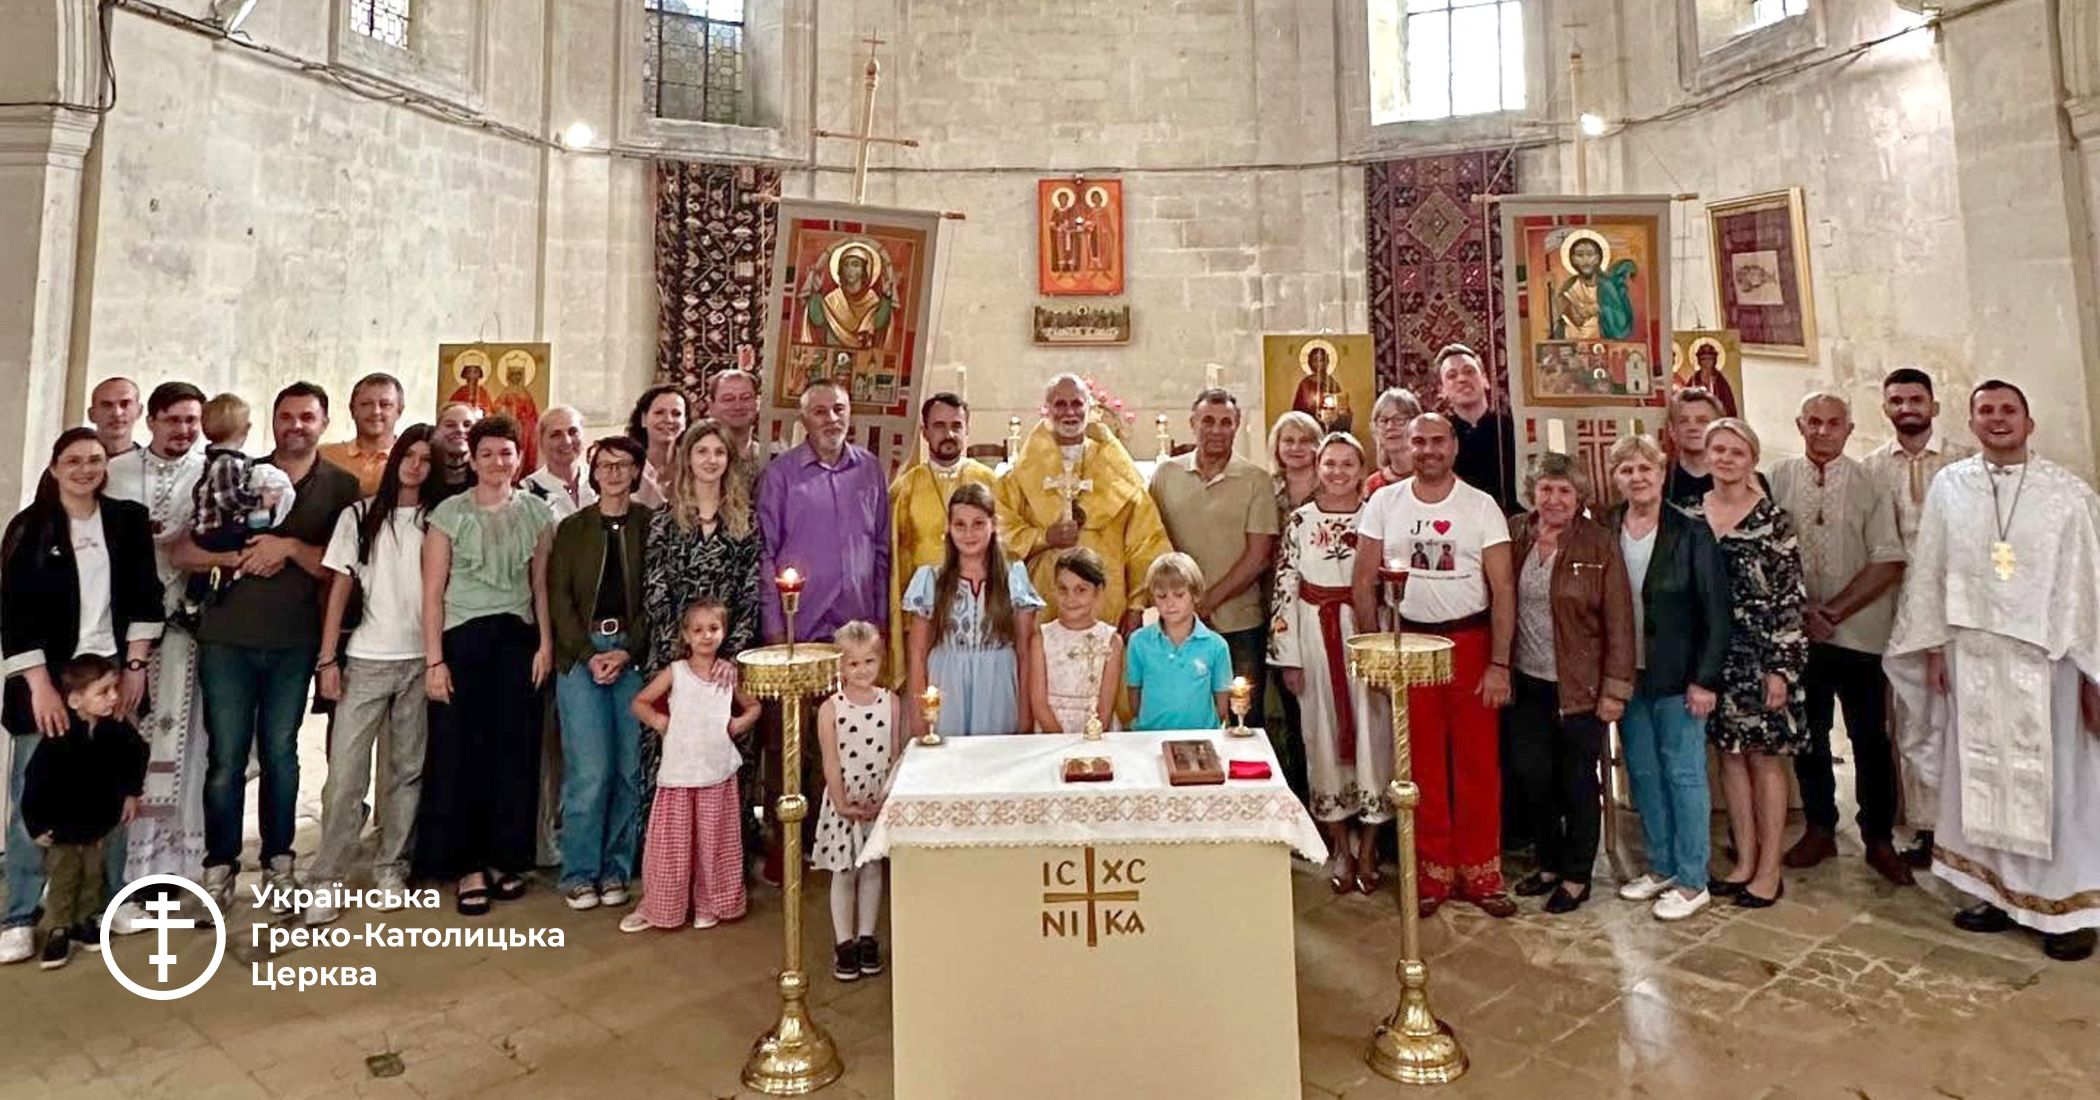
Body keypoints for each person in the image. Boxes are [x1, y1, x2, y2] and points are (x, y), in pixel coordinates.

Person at [1886, 380, 2100, 962]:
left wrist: (2087, 668)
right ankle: (1994, 894)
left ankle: (2066, 908)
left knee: (2054, 782)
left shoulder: (2068, 495)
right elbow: (1930, 569)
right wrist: (1932, 648)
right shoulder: (1951, 487)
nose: (1997, 419)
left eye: (2009, 411)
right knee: (1979, 775)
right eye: (1986, 411)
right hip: (1971, 656)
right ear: (1973, 422)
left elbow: (2085, 587)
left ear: (2029, 423)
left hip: (2045, 661)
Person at [176, 383, 360, 915]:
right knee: (226, 758)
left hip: (294, 639)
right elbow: (185, 547)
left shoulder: (340, 486)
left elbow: (343, 564)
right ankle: (219, 866)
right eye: (286, 416)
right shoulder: (235, 469)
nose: (296, 425)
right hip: (228, 636)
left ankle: (281, 863)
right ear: (271, 422)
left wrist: (291, 548)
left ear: (324, 424)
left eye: (307, 417)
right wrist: (237, 557)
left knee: (281, 754)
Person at [0, 429, 164, 965]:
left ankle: (106, 903)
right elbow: (15, 616)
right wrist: (42, 686)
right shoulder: (30, 527)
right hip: (48, 682)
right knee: (34, 793)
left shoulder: (127, 522)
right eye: (74, 461)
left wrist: (134, 667)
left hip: (111, 676)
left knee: (111, 788)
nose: (86, 469)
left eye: (95, 460)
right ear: (54, 468)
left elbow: (145, 595)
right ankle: (21, 913)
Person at [1352, 413, 1518, 918]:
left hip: (1469, 641)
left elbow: (1504, 588)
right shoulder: (1385, 502)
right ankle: (1430, 871)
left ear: (1453, 447)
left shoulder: (1480, 506)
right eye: (1417, 441)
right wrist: (1378, 653)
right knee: (1418, 761)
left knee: (1475, 760)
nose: (1427, 450)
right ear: (1406, 445)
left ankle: (1481, 870)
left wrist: (1499, 663)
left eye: (1437, 441)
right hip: (1410, 641)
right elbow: (1363, 583)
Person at [417, 415, 557, 915]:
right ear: (472, 460)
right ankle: (467, 864)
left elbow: (540, 585)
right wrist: (435, 661)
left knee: (513, 756)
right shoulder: (449, 514)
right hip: (462, 642)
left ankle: (504, 857)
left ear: (519, 458)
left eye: (506, 453)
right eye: (488, 454)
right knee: (463, 754)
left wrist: (544, 644)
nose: (498, 462)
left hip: (517, 642)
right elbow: (432, 595)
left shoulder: (538, 514)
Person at [1770, 393, 1912, 885]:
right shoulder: (1778, 478)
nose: (1823, 431)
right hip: (1799, 632)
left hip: (1860, 631)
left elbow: (1889, 559)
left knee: (1869, 737)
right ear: (1799, 424)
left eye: (1834, 423)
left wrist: (1832, 611)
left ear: (1849, 430)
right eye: (1814, 422)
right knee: (1808, 734)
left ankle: (1878, 836)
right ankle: (1818, 827)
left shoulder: (1871, 481)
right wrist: (1802, 613)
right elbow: (1767, 553)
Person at [305, 427, 436, 926]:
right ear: (395, 458)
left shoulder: (437, 519)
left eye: (427, 459)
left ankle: (391, 865)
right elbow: (338, 588)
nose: (416, 466)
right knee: (345, 775)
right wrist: (327, 658)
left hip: (419, 660)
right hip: (365, 658)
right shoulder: (358, 516)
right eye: (410, 456)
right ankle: (327, 877)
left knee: (406, 770)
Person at [1684, 418, 1808, 909]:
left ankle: (1770, 868)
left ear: (1752, 460)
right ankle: (1744, 858)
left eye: (1737, 451)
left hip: (1761, 656)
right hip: (1712, 660)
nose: (1726, 459)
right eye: (1718, 450)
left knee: (1763, 757)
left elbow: (1790, 599)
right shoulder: (1691, 514)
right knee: (1729, 758)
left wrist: (1781, 666)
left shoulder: (1774, 520)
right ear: (1706, 455)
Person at [1606, 434, 1730, 921]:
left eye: (1645, 469)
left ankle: (1694, 877)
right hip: (1627, 674)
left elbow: (1716, 612)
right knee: (1643, 773)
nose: (1637, 478)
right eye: (1626, 470)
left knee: (1684, 774)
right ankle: (1660, 866)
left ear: (1662, 473)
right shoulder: (1609, 526)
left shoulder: (1690, 531)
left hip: (1679, 676)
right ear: (1615, 478)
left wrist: (1705, 679)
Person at [1504, 453, 1635, 914]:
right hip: (1526, 680)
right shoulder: (1517, 532)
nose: (1554, 499)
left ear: (1579, 496)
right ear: (1532, 493)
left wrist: (1615, 689)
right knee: (1532, 774)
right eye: (1546, 489)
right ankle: (1547, 864)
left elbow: (1620, 618)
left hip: (1580, 684)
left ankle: (1577, 875)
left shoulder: (1598, 543)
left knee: (1578, 780)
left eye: (1564, 491)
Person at [1861, 366, 1976, 867]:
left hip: (1957, 613)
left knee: (1960, 718)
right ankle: (1927, 828)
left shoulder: (1964, 463)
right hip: (1896, 610)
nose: (1906, 408)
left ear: (1934, 405)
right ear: (1885, 408)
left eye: (1915, 400)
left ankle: (1969, 825)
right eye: (1896, 401)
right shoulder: (1870, 468)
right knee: (1910, 719)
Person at [100, 383, 209, 909]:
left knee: (184, 745)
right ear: (152, 421)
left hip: (187, 634)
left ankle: (172, 868)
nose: (183, 430)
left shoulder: (210, 472)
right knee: (125, 744)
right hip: (123, 634)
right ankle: (119, 868)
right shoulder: (116, 472)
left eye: (192, 420)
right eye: (174, 420)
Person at [1271, 432, 1390, 893]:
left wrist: (1385, 645)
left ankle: (1370, 845)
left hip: (1364, 633)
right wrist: (1289, 657)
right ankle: (1339, 844)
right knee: (1320, 734)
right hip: (1315, 638)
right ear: (1318, 470)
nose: (1338, 473)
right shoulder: (1301, 520)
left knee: (1374, 734)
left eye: (1347, 464)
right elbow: (1284, 588)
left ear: (1362, 471)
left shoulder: (1374, 517)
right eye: (1330, 464)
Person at [548, 434, 652, 913]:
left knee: (628, 769)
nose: (613, 473)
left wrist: (628, 651)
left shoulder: (651, 526)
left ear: (636, 472)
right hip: (582, 654)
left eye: (623, 465)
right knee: (590, 770)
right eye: (605, 465)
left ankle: (616, 868)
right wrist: (589, 653)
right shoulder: (573, 529)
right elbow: (560, 599)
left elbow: (656, 598)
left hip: (631, 656)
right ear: (594, 472)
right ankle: (579, 871)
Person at [621, 599, 761, 933]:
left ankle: (711, 903)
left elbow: (753, 706)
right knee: (673, 845)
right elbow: (639, 702)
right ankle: (664, 904)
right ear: (686, 635)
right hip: (680, 774)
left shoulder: (728, 674)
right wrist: (659, 720)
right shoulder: (676, 672)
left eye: (713, 629)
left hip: (715, 773)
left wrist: (737, 725)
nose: (706, 636)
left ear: (723, 632)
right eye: (698, 630)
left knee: (714, 844)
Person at [999, 374, 1171, 637]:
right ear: (1047, 409)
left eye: (1077, 404)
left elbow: (1145, 542)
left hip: (1107, 601)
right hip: (1045, 599)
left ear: (1090, 408)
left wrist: (1136, 606)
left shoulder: (1117, 471)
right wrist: (1044, 537)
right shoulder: (1022, 473)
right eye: (1060, 404)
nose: (1069, 412)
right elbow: (1000, 531)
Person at [1150, 389, 1280, 717]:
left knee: (1242, 716)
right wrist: (1184, 603)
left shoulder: (1256, 480)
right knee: (1181, 712)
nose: (1216, 429)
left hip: (1239, 622)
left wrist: (1207, 601)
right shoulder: (1166, 475)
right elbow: (1150, 541)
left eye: (1226, 422)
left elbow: (1258, 556)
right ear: (1193, 424)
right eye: (1208, 420)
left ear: (1237, 426)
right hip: (1177, 622)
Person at [21, 655, 147, 969]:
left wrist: (132, 793)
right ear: (76, 699)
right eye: (104, 692)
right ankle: (58, 929)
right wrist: (36, 825)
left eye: (114, 689)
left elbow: (137, 755)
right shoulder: (56, 739)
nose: (115, 697)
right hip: (63, 831)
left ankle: (84, 921)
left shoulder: (118, 733)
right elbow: (34, 783)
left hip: (99, 825)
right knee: (64, 879)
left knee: (94, 876)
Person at [904, 483, 1043, 737]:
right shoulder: (931, 580)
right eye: (960, 524)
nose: (969, 534)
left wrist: (1025, 715)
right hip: (947, 686)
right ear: (948, 526)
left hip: (997, 686)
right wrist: (918, 716)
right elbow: (917, 652)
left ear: (994, 525)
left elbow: (1025, 652)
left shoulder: (1013, 578)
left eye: (978, 523)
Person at [758, 380, 890, 644]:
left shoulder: (869, 469)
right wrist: (774, 629)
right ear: (804, 420)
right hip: (800, 625)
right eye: (820, 412)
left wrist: (881, 618)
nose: (832, 419)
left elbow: (881, 549)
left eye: (839, 409)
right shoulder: (780, 475)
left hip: (859, 627)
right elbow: (764, 554)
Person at [812, 621, 902, 980]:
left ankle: (867, 937)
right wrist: (840, 801)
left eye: (869, 662)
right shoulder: (830, 709)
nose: (862, 670)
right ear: (840, 666)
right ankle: (844, 942)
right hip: (844, 799)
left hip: (877, 797)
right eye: (853, 664)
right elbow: (830, 760)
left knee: (871, 869)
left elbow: (895, 753)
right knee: (844, 871)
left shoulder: (890, 702)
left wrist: (885, 798)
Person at [889, 392, 998, 680]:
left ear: (967, 430)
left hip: (980, 611)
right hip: (926, 608)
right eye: (938, 426)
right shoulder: (906, 488)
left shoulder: (990, 481)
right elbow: (895, 554)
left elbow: (1006, 546)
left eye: (956, 426)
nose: (948, 433)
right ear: (924, 432)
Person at [183, 393, 298, 614]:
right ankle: (205, 598)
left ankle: (197, 600)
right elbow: (229, 500)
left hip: (212, 526)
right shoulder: (227, 462)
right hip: (216, 528)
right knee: (250, 542)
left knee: (210, 568)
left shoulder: (220, 459)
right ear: (244, 429)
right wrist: (260, 501)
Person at [1125, 553, 1232, 731]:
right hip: (1149, 737)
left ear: (1195, 595)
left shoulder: (1216, 646)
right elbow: (1134, 695)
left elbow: (1222, 705)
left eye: (1179, 595)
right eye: (1161, 596)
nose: (1170, 603)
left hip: (1200, 738)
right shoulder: (1139, 642)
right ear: (1152, 598)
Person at [1030, 548, 1124, 734]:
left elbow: (1105, 708)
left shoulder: (1112, 641)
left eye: (1081, 590)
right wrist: (1061, 742)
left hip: (1095, 733)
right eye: (1063, 589)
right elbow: (1039, 703)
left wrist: (1088, 743)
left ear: (1097, 591)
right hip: (1051, 733)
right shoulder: (1042, 640)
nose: (1070, 598)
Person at [1434, 346, 1519, 514]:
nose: (1462, 379)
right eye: (1452, 375)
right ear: (1442, 391)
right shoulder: (1439, 438)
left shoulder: (1513, 427)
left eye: (1469, 371)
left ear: (1485, 380)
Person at [319, 373, 405, 496]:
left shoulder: (412, 461)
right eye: (366, 404)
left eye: (385, 405)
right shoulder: (323, 456)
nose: (376, 411)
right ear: (352, 410)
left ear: (399, 411)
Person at [522, 405, 597, 520]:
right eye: (556, 435)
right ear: (541, 442)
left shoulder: (601, 479)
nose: (567, 441)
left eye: (573, 432)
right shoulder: (528, 490)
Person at [627, 384, 691, 510]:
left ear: (685, 423)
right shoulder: (627, 467)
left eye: (676, 413)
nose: (668, 419)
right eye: (659, 413)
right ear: (643, 420)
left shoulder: (694, 467)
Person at [1662, 387, 1724, 506]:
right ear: (1672, 430)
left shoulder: (1743, 479)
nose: (1693, 428)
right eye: (1684, 421)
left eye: (1702, 421)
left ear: (1719, 429)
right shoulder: (1657, 479)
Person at [1362, 388, 1424, 497]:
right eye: (1383, 420)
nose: (1390, 426)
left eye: (1399, 419)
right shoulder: (1372, 486)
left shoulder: (1434, 478)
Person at [708, 368, 766, 474]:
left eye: (746, 398)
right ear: (711, 406)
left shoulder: (768, 460)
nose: (738, 406)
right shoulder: (697, 459)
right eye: (728, 399)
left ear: (757, 403)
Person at [1269, 412, 1322, 519]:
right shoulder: (1265, 487)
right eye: (1288, 441)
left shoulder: (1330, 486)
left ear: (1318, 445)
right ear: (1277, 445)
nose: (1296, 448)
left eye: (1304, 441)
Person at [430, 401, 482, 504]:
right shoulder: (426, 473)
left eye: (467, 424)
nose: (460, 430)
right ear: (436, 431)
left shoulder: (485, 475)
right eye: (450, 425)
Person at [88, 377, 142, 459]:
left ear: (139, 411)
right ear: (92, 414)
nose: (117, 413)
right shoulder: (70, 467)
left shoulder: (155, 468)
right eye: (106, 405)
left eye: (125, 404)